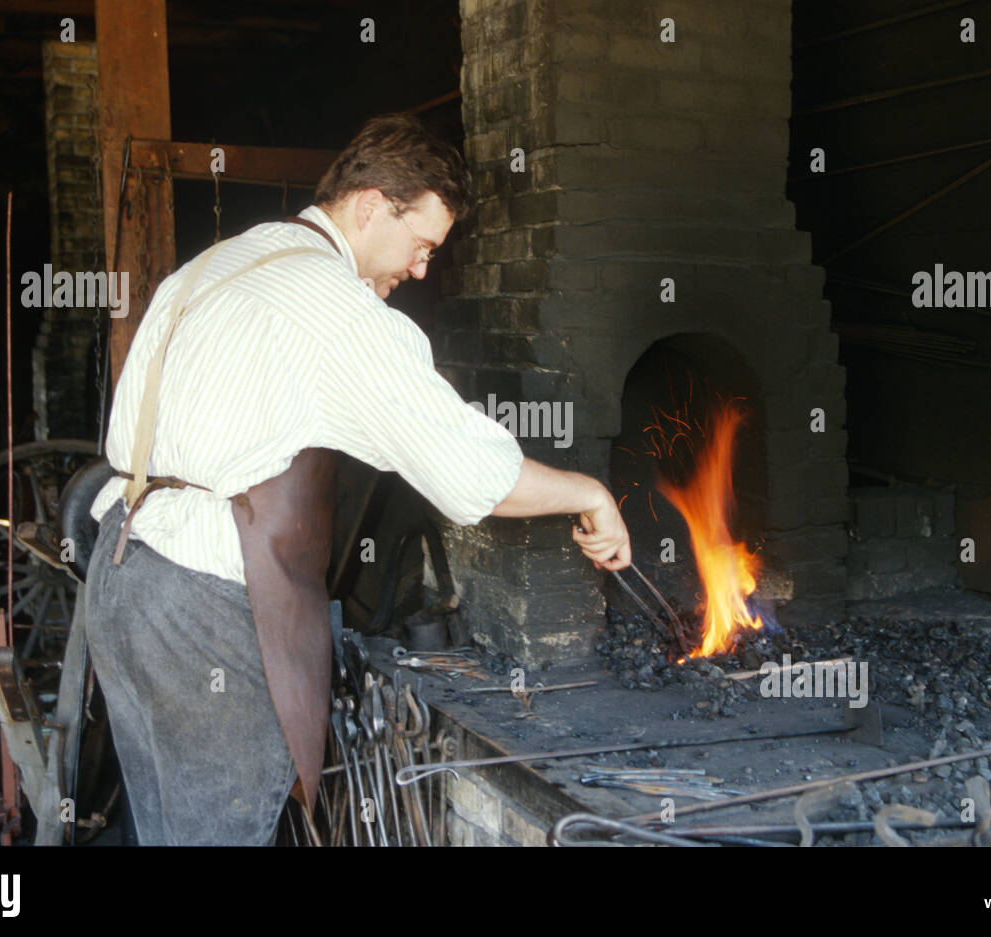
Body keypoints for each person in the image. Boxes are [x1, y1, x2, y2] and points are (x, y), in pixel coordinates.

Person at [82, 113, 630, 845]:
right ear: (370, 204)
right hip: (201, 610)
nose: (422, 268)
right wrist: (589, 493)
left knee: (164, 829)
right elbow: (470, 471)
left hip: (120, 576)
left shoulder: (217, 264)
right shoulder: (332, 303)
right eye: (423, 243)